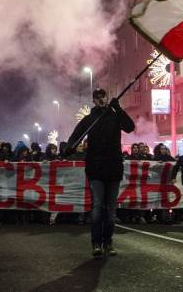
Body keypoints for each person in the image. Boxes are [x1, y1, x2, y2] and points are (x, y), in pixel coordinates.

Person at [66, 88, 134, 258]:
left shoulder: (115, 116)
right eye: (97, 97)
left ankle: (108, 242)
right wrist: (68, 149)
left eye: (103, 96)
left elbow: (130, 127)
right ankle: (96, 243)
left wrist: (118, 109)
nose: (101, 99)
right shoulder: (89, 119)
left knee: (110, 209)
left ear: (107, 97)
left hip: (114, 168)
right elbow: (75, 137)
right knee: (97, 207)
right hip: (95, 168)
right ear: (94, 101)